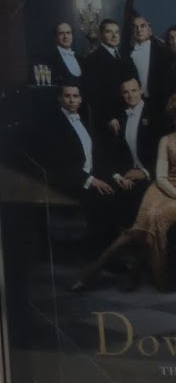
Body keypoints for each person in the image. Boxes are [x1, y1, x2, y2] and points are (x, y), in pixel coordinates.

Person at [72, 93, 176, 294]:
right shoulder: (166, 140)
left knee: (154, 221)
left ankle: (140, 273)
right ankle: (92, 272)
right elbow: (161, 177)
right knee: (135, 230)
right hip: (162, 188)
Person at [29, 81, 126, 249]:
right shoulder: (54, 125)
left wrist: (115, 175)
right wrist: (90, 181)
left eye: (75, 96)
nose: (72, 100)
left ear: (81, 99)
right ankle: (100, 253)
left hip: (90, 175)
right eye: (67, 96)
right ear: (60, 99)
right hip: (68, 179)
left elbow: (96, 155)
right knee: (102, 199)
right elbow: (59, 163)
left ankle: (113, 250)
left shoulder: (84, 121)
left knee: (120, 192)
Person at [105, 75, 162, 224]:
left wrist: (145, 172)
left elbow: (167, 155)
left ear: (141, 90)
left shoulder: (156, 115)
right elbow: (116, 153)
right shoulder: (119, 117)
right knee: (110, 196)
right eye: (125, 92)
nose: (130, 95)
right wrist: (120, 175)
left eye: (134, 90)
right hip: (128, 175)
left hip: (154, 175)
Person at [80, 19, 137, 128]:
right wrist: (108, 117)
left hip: (130, 113)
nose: (114, 35)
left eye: (116, 32)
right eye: (109, 32)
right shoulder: (93, 59)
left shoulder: (126, 57)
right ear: (101, 35)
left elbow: (135, 82)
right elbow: (92, 94)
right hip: (109, 119)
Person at [129, 13, 176, 110]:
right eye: (135, 27)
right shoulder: (126, 54)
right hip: (137, 105)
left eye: (143, 26)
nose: (139, 30)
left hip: (161, 104)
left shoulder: (163, 50)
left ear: (149, 28)